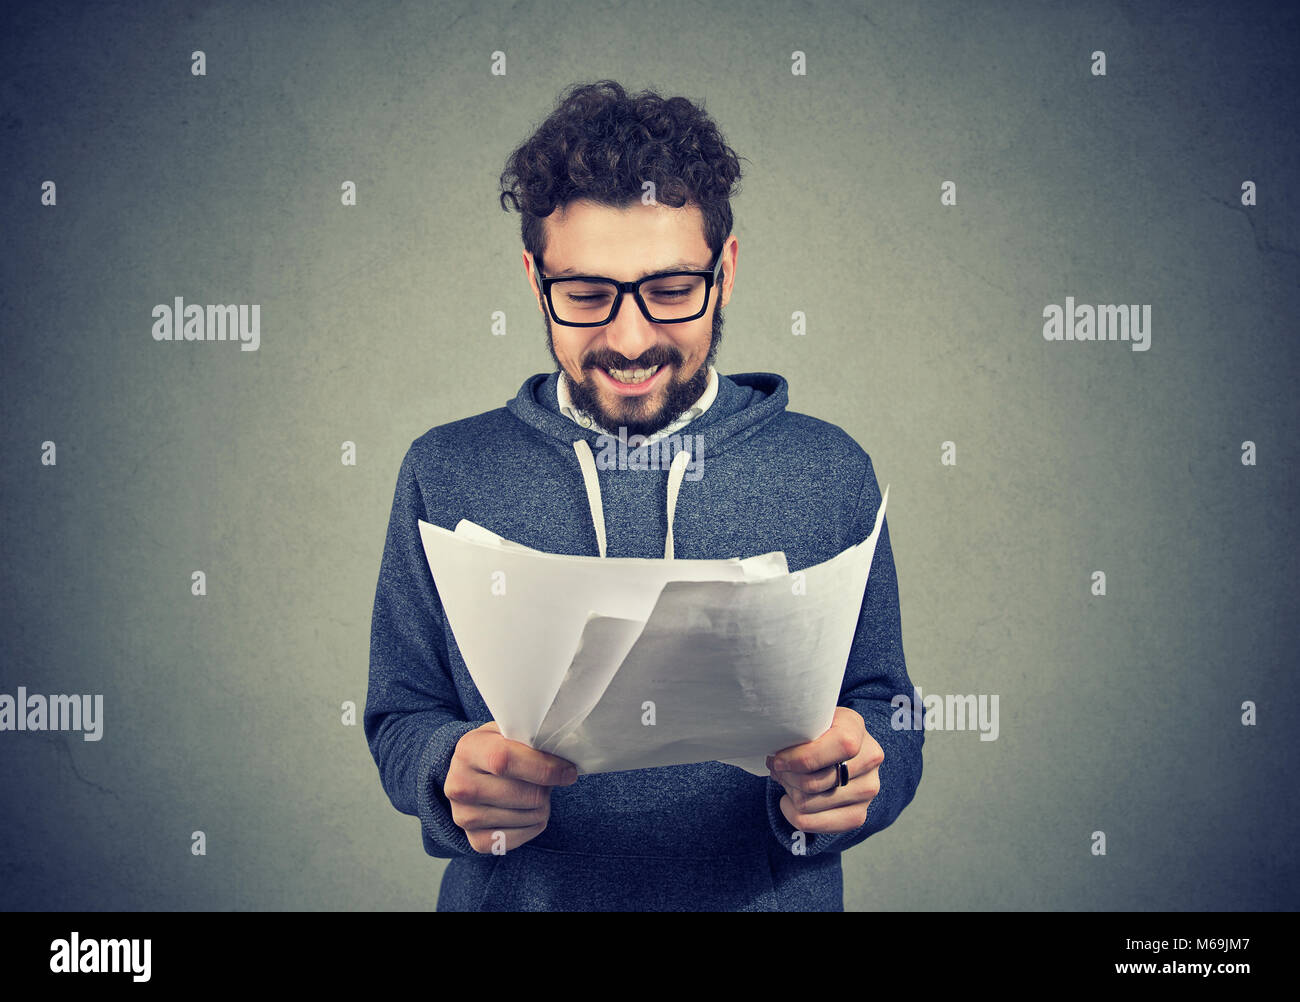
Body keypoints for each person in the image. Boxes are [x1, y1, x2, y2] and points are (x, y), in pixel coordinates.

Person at [365, 79, 923, 911]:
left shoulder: (831, 469)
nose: (630, 340)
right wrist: (444, 768)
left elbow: (888, 710)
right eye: (587, 295)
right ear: (533, 277)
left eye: (669, 291)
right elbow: (401, 711)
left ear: (725, 270)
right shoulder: (445, 470)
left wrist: (857, 771)